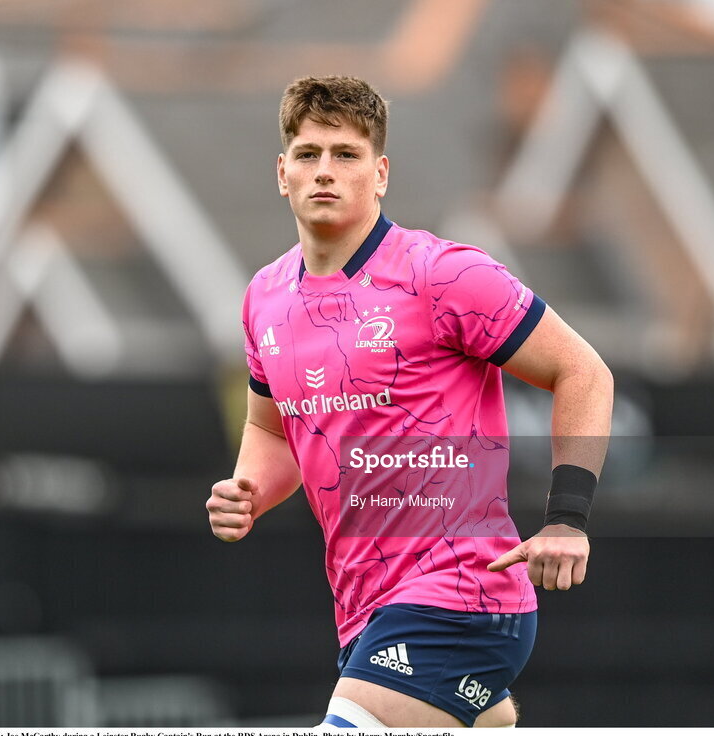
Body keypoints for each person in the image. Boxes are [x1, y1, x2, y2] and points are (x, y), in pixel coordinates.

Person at [207, 76, 613, 728]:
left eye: (346, 154)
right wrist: (247, 489)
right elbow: (274, 431)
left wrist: (567, 518)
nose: (325, 171)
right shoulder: (264, 297)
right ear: (282, 173)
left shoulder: (443, 275)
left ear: (381, 173)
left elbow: (583, 372)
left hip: (459, 599)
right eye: (308, 154)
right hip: (365, 611)